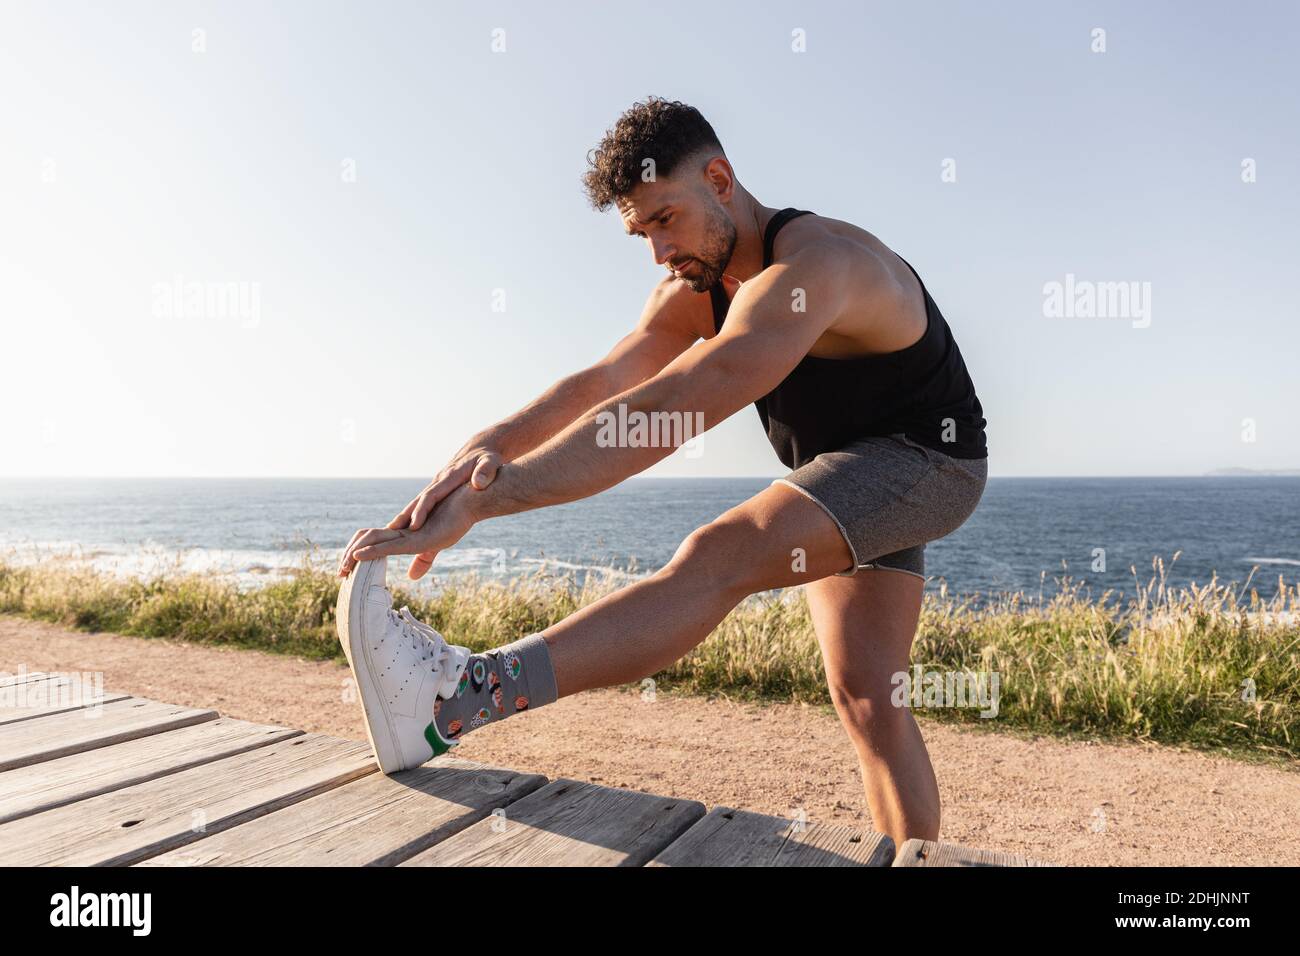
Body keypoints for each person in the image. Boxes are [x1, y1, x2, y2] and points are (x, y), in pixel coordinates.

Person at [335, 96, 988, 846]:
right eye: (640, 231)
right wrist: (483, 456)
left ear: (719, 179)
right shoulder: (698, 283)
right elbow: (609, 379)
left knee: (720, 555)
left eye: (664, 219)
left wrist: (494, 501)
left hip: (928, 462)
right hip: (843, 474)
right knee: (869, 696)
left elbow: (678, 402)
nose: (656, 251)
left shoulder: (815, 269)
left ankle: (455, 700)